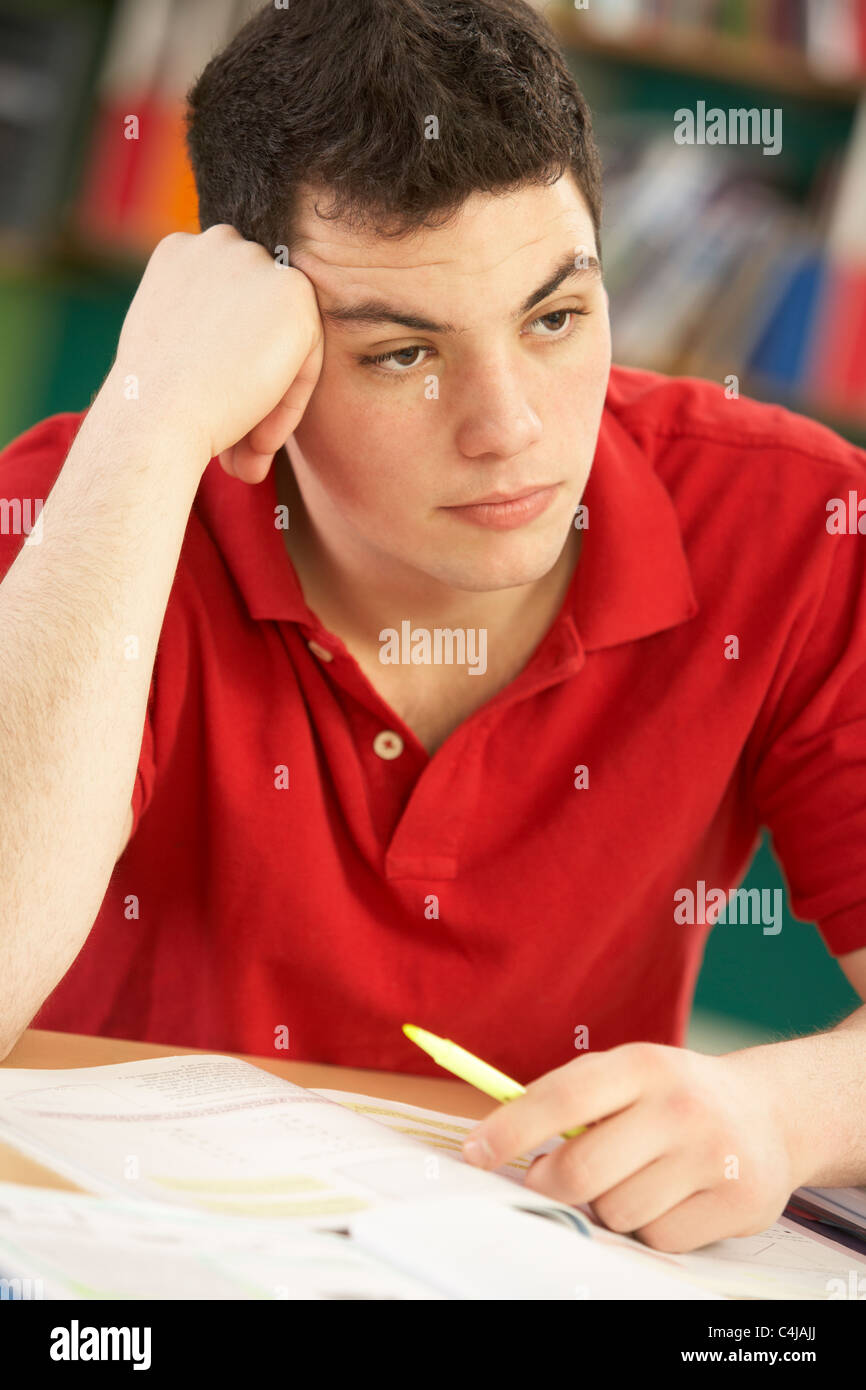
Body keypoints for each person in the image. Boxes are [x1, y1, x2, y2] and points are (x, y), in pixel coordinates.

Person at [0, 0, 864, 1254]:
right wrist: (146, 423)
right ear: (263, 342)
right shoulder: (86, 507)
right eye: (404, 354)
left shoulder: (794, 518)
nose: (509, 425)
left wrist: (782, 1110)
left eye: (555, 317)